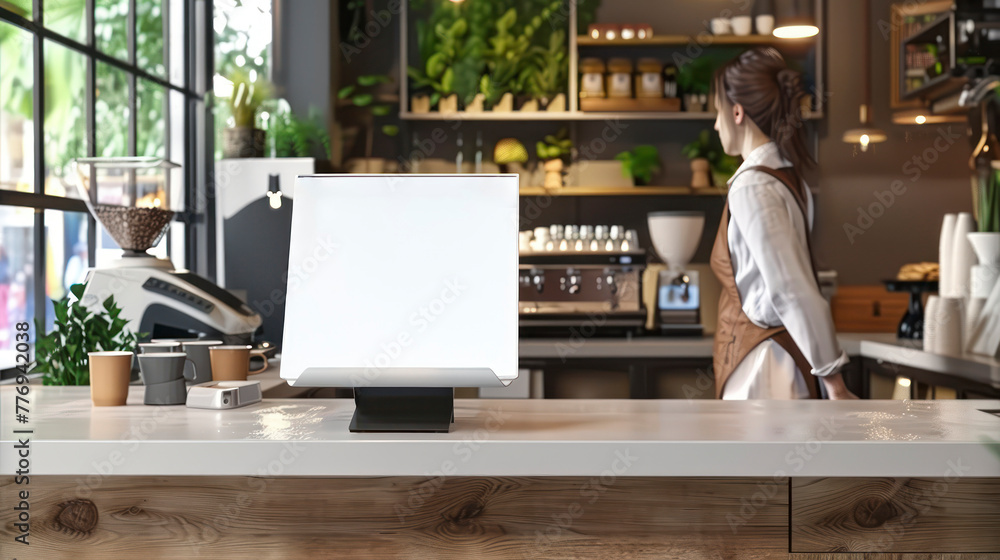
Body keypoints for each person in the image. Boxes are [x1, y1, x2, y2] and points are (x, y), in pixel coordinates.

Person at [710, 47, 857, 400]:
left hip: (764, 372)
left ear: (737, 112)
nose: (716, 124)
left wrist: (834, 383)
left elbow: (791, 288)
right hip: (771, 363)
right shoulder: (786, 178)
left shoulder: (754, 186)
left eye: (717, 113)